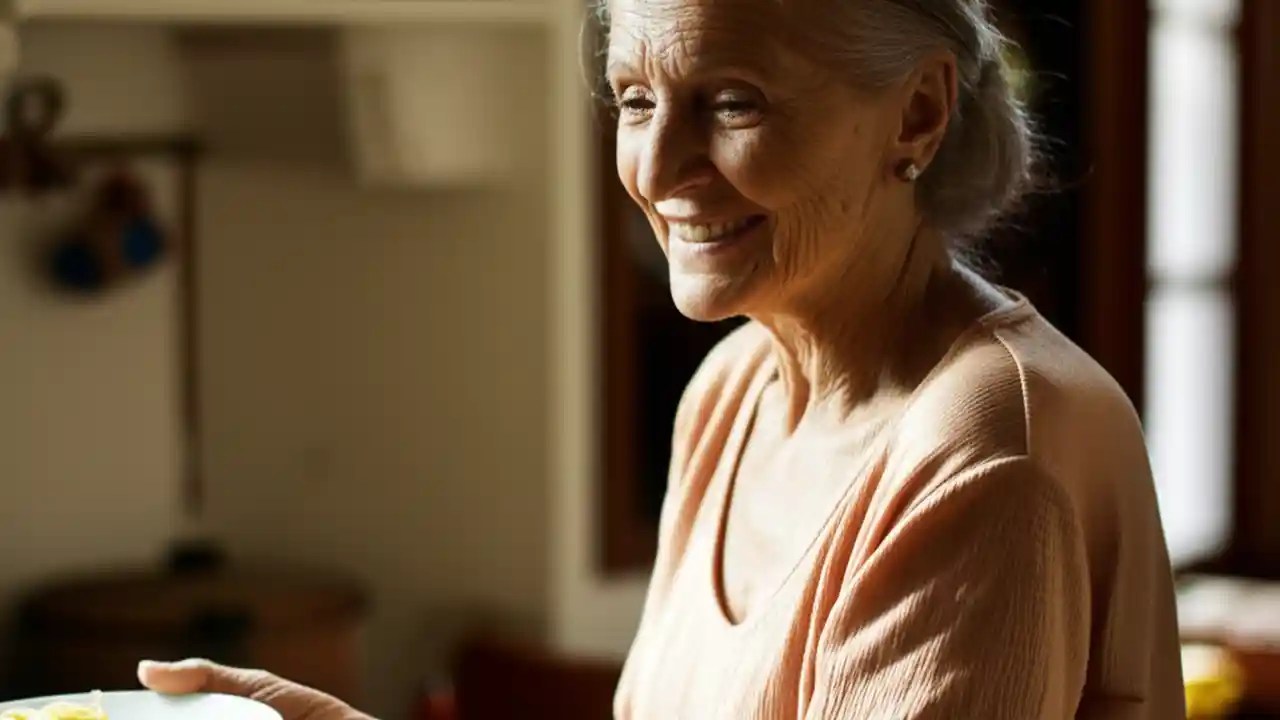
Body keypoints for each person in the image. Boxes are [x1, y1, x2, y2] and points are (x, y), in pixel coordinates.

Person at [140, 0, 1186, 717]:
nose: (656, 167)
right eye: (634, 99)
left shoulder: (985, 453)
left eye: (732, 102)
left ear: (914, 112)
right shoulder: (733, 389)